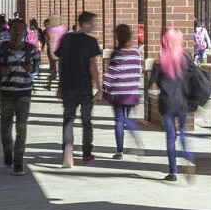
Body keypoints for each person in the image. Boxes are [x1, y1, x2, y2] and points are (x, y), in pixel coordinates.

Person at [0, 23, 41, 175]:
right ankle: (8, 152)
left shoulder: (31, 49)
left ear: (25, 32)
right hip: (5, 91)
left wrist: (32, 69)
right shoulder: (0, 47)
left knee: (21, 127)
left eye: (21, 30)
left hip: (24, 92)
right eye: (15, 29)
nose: (18, 33)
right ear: (9, 30)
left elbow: (37, 66)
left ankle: (18, 161)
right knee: (6, 128)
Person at [54, 12, 104, 168]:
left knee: (68, 120)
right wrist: (99, 87)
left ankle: (67, 150)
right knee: (86, 121)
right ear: (86, 23)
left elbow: (60, 63)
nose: (95, 26)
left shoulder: (66, 39)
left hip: (68, 86)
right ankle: (87, 153)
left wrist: (60, 85)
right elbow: (93, 66)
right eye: (94, 23)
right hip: (84, 87)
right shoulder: (91, 42)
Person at [150, 27, 199, 181]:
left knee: (170, 136)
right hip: (183, 102)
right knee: (183, 133)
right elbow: (193, 79)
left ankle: (173, 171)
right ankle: (188, 158)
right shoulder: (187, 58)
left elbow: (152, 83)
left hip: (166, 103)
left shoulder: (159, 61)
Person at [102, 23, 145, 159]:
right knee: (128, 119)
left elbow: (111, 74)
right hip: (132, 92)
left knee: (119, 121)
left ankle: (119, 151)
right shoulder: (136, 53)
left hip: (118, 93)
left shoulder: (117, 53)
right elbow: (139, 72)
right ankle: (136, 139)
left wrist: (104, 89)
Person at [44, 17, 67, 87]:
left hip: (55, 49)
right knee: (57, 65)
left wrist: (51, 51)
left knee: (54, 65)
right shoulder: (62, 29)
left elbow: (50, 41)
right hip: (61, 49)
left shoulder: (50, 31)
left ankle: (52, 80)